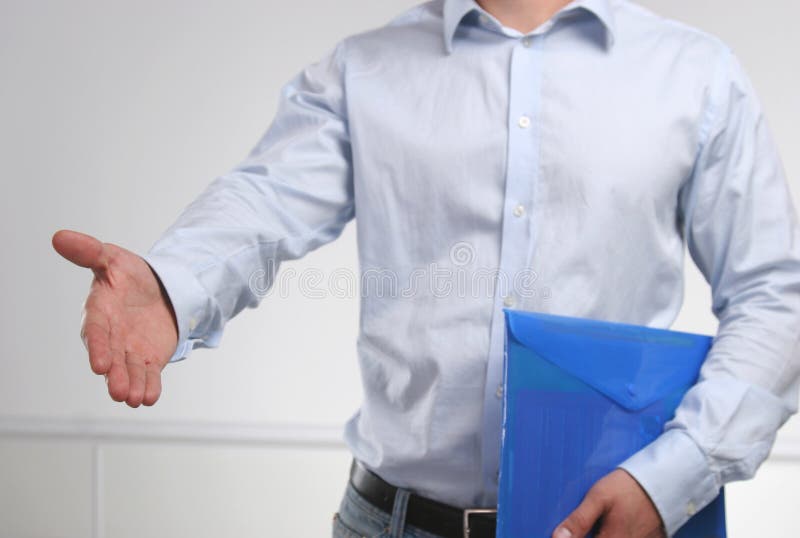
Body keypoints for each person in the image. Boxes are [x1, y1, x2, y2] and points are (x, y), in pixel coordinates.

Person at [52, 0, 800, 536]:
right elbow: (264, 202)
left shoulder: (696, 75)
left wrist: (672, 478)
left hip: (612, 523)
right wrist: (173, 284)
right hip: (391, 524)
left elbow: (776, 296)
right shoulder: (364, 70)